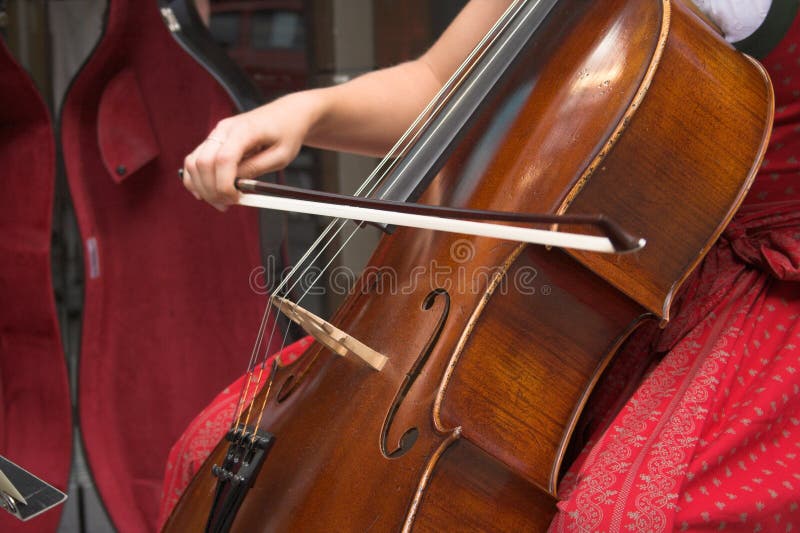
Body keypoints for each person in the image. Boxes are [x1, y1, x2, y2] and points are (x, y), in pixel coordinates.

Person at [168, 0, 800, 530]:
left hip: (760, 285)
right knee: (217, 446)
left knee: (619, 517)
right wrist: (300, 113)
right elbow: (439, 83)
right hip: (572, 274)